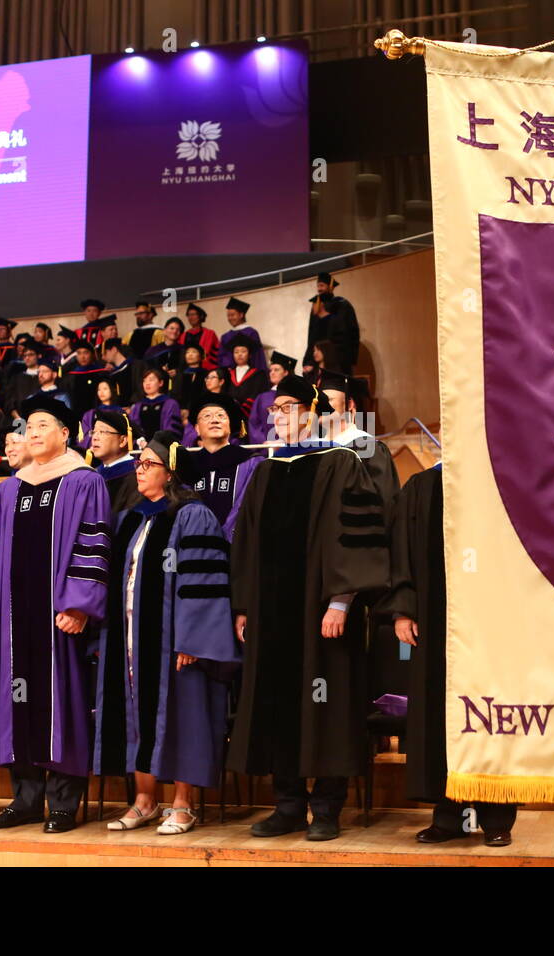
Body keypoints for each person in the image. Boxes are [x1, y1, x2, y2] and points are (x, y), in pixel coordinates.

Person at [226, 375, 390, 841]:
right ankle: (288, 805)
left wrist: (341, 601)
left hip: (322, 614)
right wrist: (243, 607)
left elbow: (357, 537)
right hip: (273, 616)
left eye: (289, 406)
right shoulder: (266, 471)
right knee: (277, 701)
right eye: (274, 409)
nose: (279, 416)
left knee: (328, 703)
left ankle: (328, 807)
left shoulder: (342, 463)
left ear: (312, 411)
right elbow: (246, 545)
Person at [0, 393, 111, 833]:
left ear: (65, 433)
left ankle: (63, 801)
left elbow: (93, 545)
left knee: (61, 701)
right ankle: (26, 797)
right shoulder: (10, 488)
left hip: (58, 615)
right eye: (27, 427)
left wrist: (79, 603)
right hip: (13, 616)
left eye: (41, 426)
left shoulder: (83, 481)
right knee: (16, 700)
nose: (32, 433)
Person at [96, 434, 239, 835]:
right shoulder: (130, 518)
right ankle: (143, 800)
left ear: (170, 471)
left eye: (147, 464)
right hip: (128, 639)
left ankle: (182, 804)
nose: (138, 470)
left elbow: (204, 581)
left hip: (175, 643)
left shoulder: (193, 515)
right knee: (135, 717)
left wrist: (192, 640)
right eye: (138, 464)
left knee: (183, 716)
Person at [379, 462, 518, 847]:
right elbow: (401, 549)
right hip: (434, 618)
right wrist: (403, 608)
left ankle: (496, 818)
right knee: (439, 712)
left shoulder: (499, 477)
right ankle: (449, 816)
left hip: (493, 617)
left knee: (489, 710)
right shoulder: (422, 486)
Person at [319, 371, 399, 520]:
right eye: (318, 401)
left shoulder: (369, 449)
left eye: (328, 400)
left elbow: (384, 505)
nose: (320, 406)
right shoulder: (315, 451)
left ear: (349, 404)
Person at [186, 395, 262, 538]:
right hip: (194, 547)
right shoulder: (187, 466)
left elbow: (248, 507)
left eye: (221, 415)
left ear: (230, 424)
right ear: (197, 428)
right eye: (207, 416)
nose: (214, 420)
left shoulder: (251, 463)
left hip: (237, 545)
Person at [89, 410, 142, 520]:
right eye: (93, 432)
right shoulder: (92, 475)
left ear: (123, 441)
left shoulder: (137, 476)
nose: (95, 437)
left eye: (102, 432)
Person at [304, 272, 360, 375]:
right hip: (319, 359)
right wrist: (308, 360)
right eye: (318, 286)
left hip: (338, 358)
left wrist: (351, 359)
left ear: (330, 286)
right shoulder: (316, 307)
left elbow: (352, 334)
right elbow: (311, 336)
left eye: (322, 285)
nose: (319, 289)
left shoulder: (342, 305)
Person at [248, 352, 296, 444]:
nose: (272, 373)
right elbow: (254, 423)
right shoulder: (262, 397)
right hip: (266, 447)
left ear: (286, 372)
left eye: (276, 370)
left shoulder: (295, 396)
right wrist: (264, 442)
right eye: (271, 370)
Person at [129, 368, 181, 442]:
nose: (147, 383)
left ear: (161, 383)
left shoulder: (170, 404)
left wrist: (159, 444)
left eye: (151, 380)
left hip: (163, 449)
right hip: (142, 449)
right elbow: (134, 428)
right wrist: (140, 442)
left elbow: (172, 429)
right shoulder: (138, 406)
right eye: (144, 381)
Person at [218, 297, 266, 372]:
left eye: (232, 315)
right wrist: (228, 366)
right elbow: (221, 356)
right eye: (228, 315)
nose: (230, 318)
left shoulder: (251, 332)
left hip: (249, 372)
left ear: (241, 315)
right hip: (230, 373)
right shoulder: (225, 337)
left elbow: (257, 356)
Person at [227, 336, 269, 417]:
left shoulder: (258, 374)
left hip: (250, 414)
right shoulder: (227, 374)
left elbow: (258, 394)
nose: (239, 354)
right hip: (230, 414)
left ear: (249, 355)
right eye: (236, 352)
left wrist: (243, 409)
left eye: (243, 351)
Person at [182, 303, 219, 369]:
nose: (191, 317)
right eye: (189, 315)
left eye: (193, 314)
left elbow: (217, 353)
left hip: (206, 369)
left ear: (200, 316)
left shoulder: (210, 334)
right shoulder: (183, 335)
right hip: (186, 370)